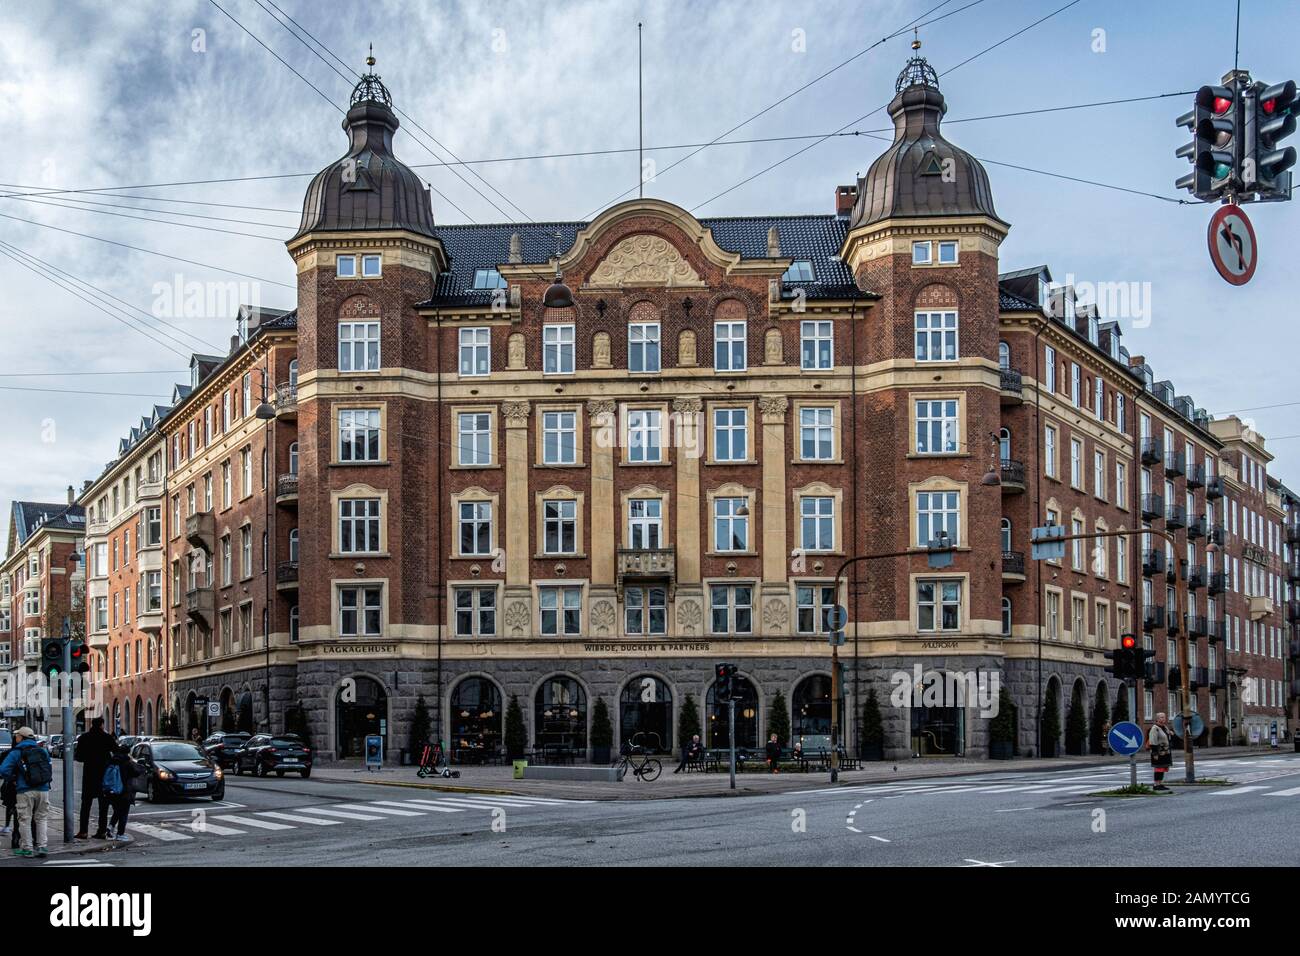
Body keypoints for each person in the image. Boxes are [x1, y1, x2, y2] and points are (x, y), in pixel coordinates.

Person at [0, 727, 52, 858]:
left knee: (25, 819)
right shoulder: (42, 750)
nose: (15, 737)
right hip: (43, 789)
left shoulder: (16, 751)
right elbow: (48, 767)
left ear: (21, 737)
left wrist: (13, 779)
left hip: (24, 790)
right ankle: (42, 847)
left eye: (17, 735)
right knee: (41, 818)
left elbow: (3, 770)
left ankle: (27, 848)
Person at [74, 717, 115, 839]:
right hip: (104, 775)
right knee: (104, 805)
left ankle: (83, 831)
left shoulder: (84, 738)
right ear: (102, 725)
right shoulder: (107, 738)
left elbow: (79, 757)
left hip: (89, 774)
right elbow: (116, 750)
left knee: (86, 804)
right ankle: (101, 831)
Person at [102, 744, 141, 844]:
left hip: (112, 791)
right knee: (123, 813)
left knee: (117, 810)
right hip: (124, 791)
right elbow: (137, 772)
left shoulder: (112, 760)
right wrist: (133, 761)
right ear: (127, 752)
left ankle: (110, 827)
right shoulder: (127, 762)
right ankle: (120, 834)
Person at [1147, 712, 1172, 792]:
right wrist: (1155, 753)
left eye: (1164, 717)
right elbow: (1152, 741)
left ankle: (1160, 784)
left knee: (1162, 768)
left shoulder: (1164, 727)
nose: (1163, 719)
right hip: (1158, 753)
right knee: (1158, 769)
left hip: (1165, 753)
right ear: (1157, 719)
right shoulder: (1155, 728)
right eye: (1161, 717)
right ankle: (1156, 784)